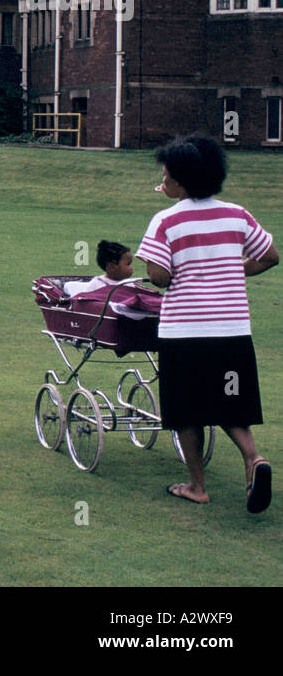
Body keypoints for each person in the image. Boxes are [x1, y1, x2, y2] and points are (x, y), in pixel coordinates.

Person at [136, 135, 278, 512]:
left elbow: (159, 277)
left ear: (181, 182)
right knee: (232, 403)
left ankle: (197, 485)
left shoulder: (166, 220)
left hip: (185, 333)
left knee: (187, 411)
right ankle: (254, 459)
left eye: (165, 178)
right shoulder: (237, 214)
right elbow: (270, 256)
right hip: (231, 331)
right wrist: (233, 271)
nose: (162, 184)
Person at [64, 240, 134, 297]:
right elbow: (83, 301)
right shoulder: (97, 285)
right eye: (128, 264)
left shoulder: (129, 284)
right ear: (112, 267)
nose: (132, 267)